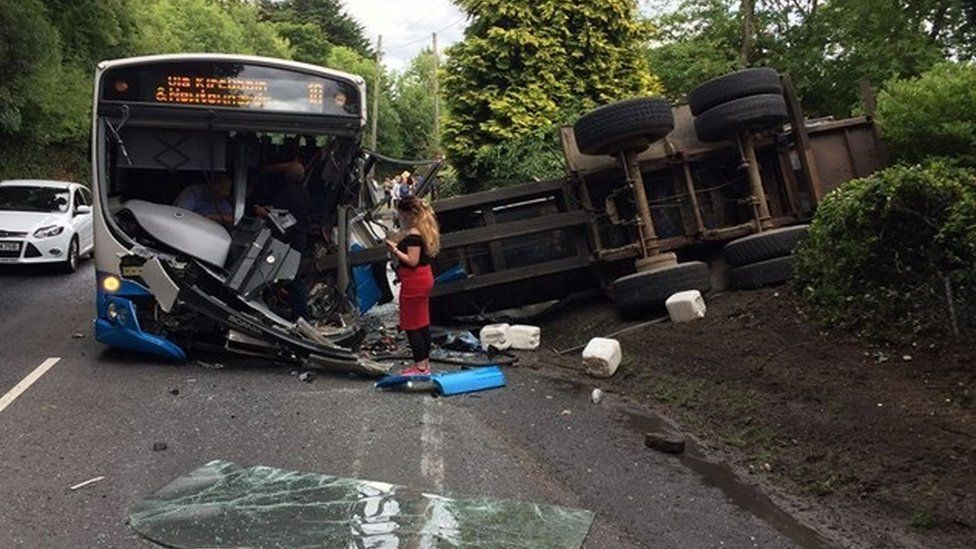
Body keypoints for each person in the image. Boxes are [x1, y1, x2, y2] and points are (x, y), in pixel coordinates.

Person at [385, 195, 440, 375]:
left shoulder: (414, 237)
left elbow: (412, 260)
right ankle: (425, 364)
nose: (401, 219)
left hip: (414, 280)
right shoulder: (422, 231)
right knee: (422, 321)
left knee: (411, 324)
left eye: (401, 216)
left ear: (408, 214)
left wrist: (394, 250)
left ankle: (420, 366)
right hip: (424, 277)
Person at [255, 159, 311, 321]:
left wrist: (263, 212)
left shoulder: (285, 192)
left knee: (281, 274)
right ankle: (299, 313)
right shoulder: (304, 193)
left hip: (287, 239)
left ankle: (299, 314)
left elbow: (281, 216)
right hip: (299, 238)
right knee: (292, 275)